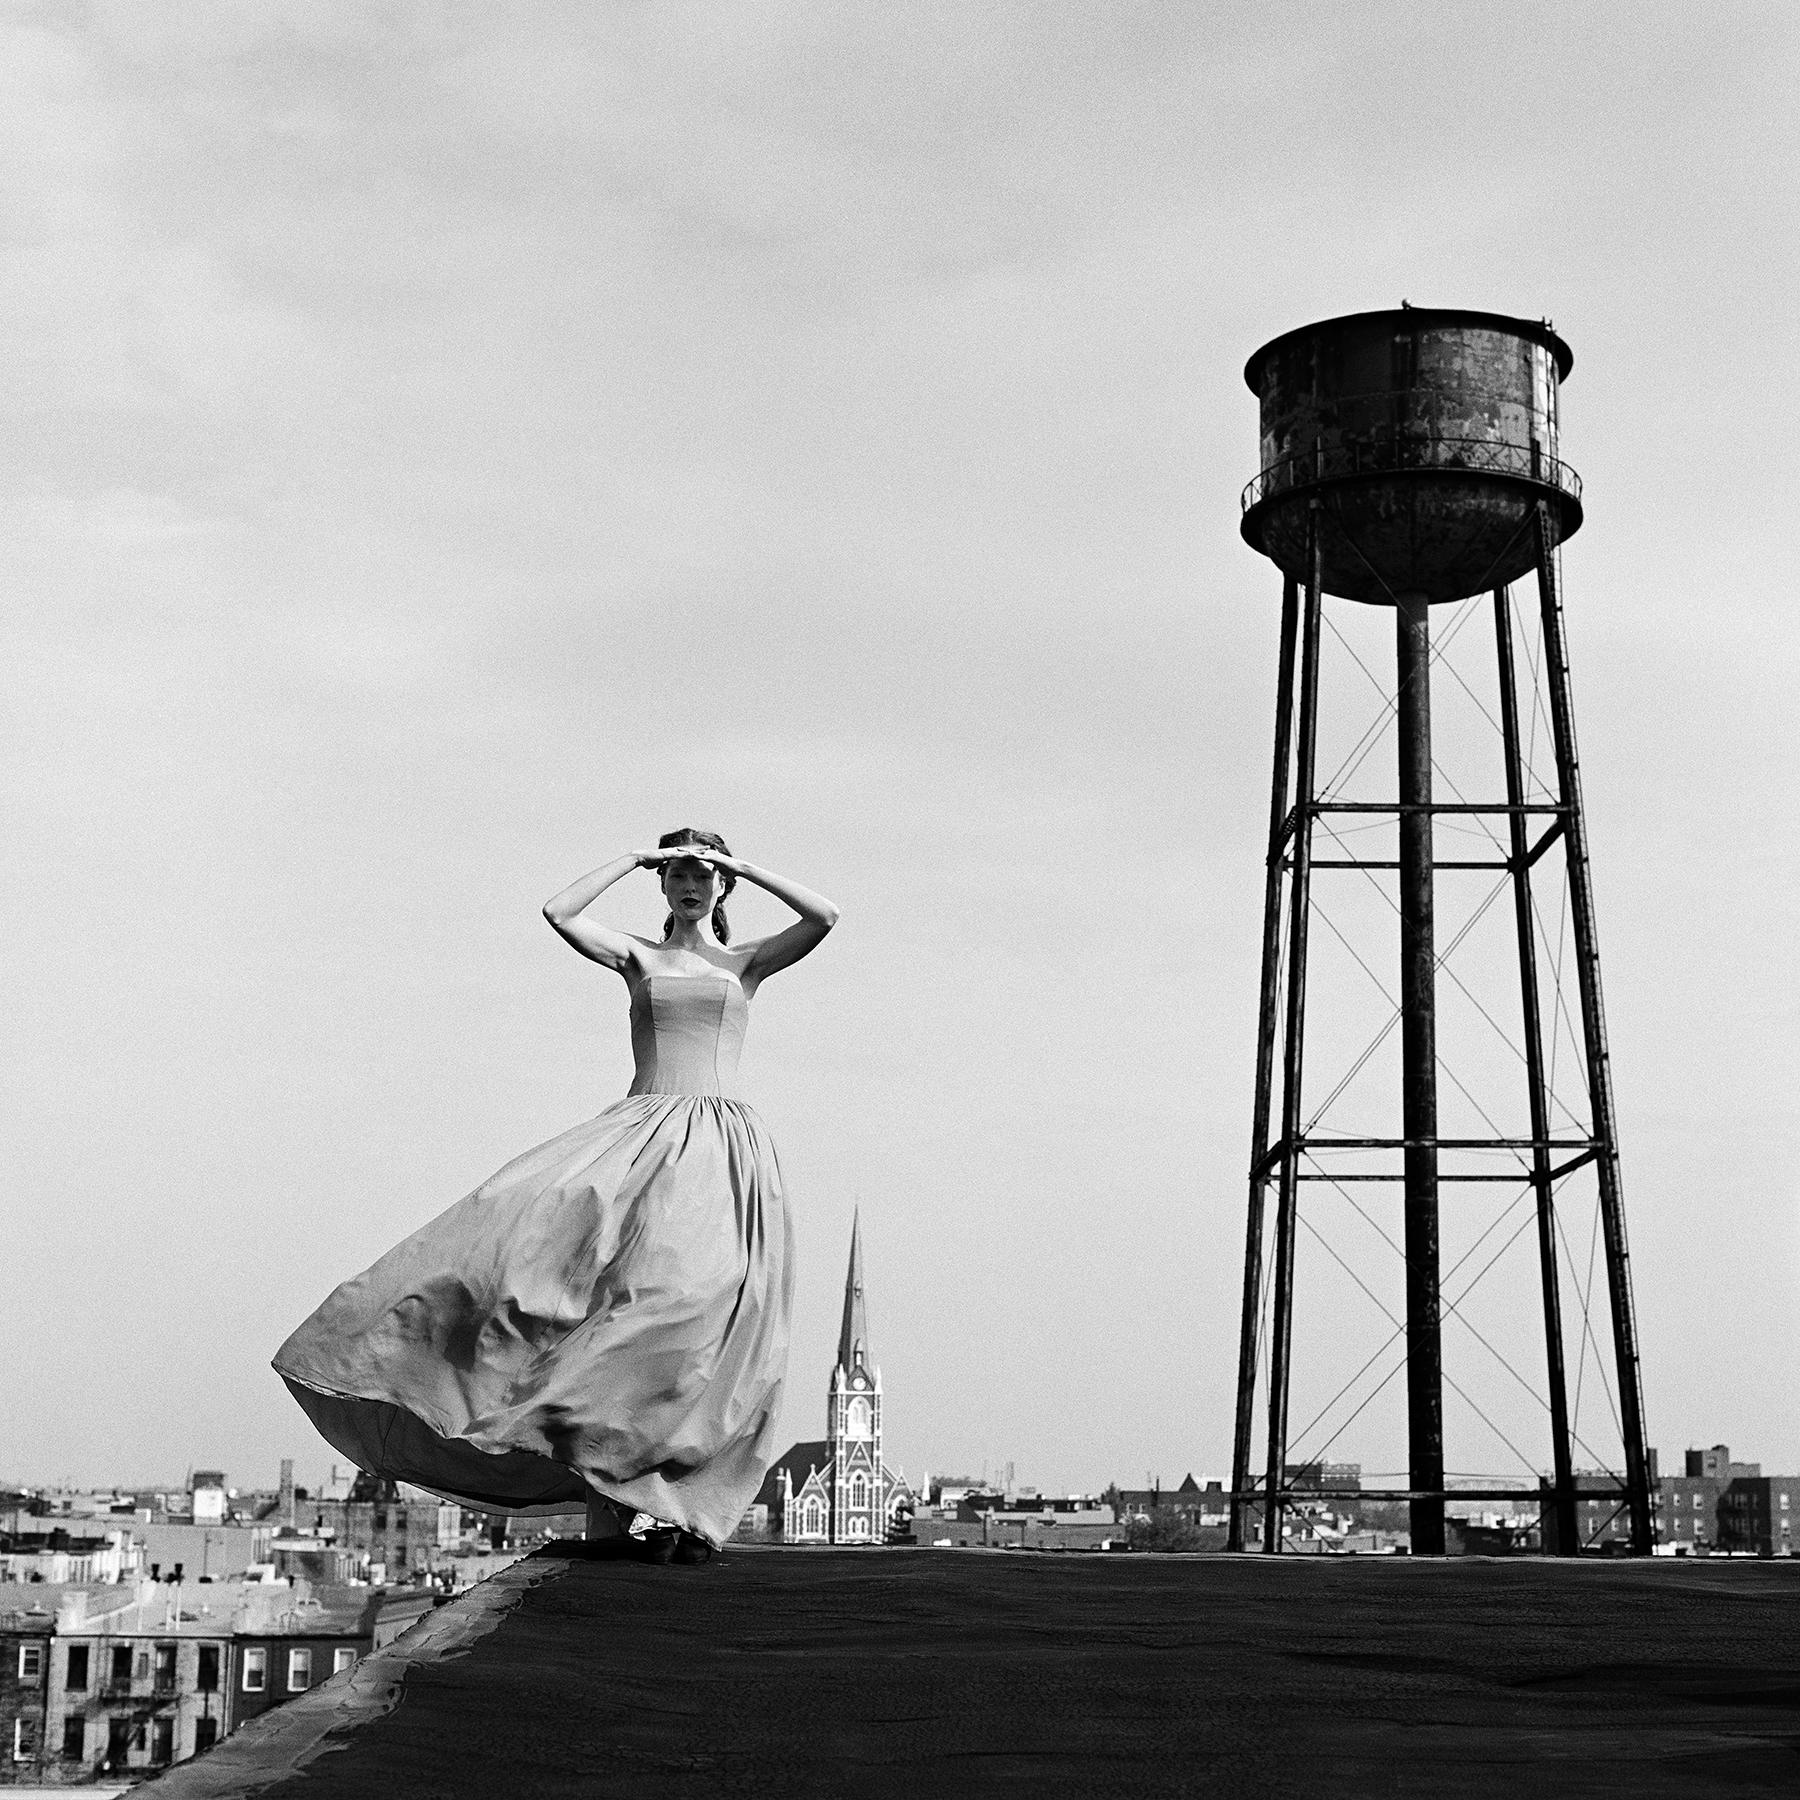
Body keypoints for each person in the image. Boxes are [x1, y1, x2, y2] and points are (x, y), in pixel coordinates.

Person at [273, 829, 838, 1564]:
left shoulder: (745, 964)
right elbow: (560, 911)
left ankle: (675, 1500)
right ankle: (610, 1513)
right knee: (605, 1314)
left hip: (722, 1150)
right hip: (643, 1136)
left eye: (704, 874)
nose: (691, 883)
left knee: (698, 1322)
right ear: (663, 886)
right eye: (679, 874)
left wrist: (743, 866)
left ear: (723, 885)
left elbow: (823, 917)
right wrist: (635, 859)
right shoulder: (639, 956)